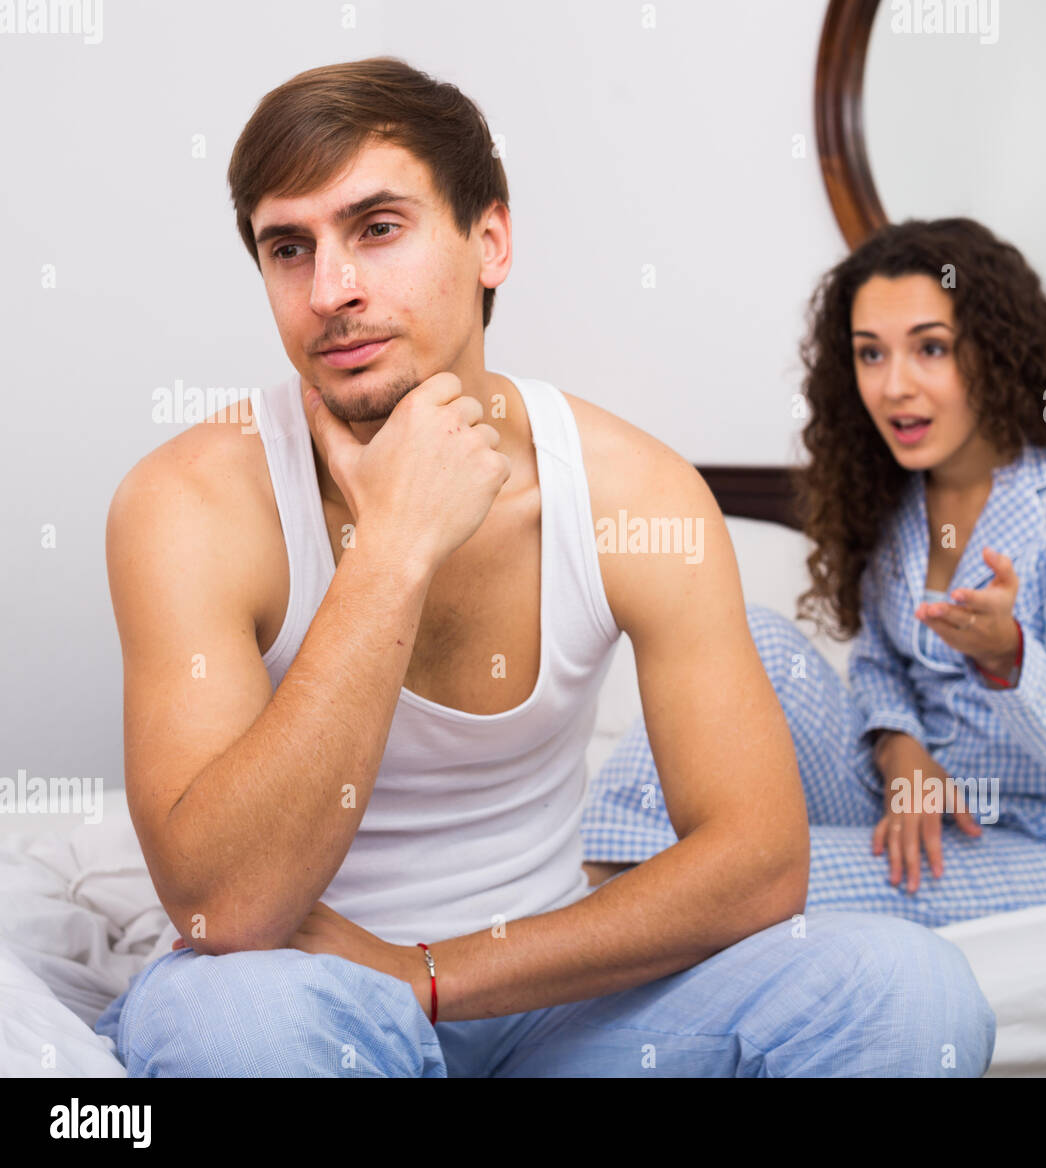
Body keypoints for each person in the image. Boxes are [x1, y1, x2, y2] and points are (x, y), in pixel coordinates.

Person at [93, 60, 995, 1077]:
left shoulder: (632, 491)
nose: (330, 290)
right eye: (287, 248)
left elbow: (757, 864)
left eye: (377, 229)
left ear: (491, 241)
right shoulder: (188, 502)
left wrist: (425, 973)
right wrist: (391, 550)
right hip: (298, 998)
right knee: (236, 1028)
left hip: (542, 1002)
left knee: (914, 992)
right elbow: (227, 904)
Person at [582, 218, 1046, 929]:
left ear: (997, 351)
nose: (894, 386)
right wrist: (903, 754)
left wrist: (1005, 654)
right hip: (912, 794)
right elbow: (879, 664)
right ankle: (596, 870)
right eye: (870, 354)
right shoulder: (893, 491)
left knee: (743, 880)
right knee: (756, 641)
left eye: (931, 348)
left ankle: (605, 913)